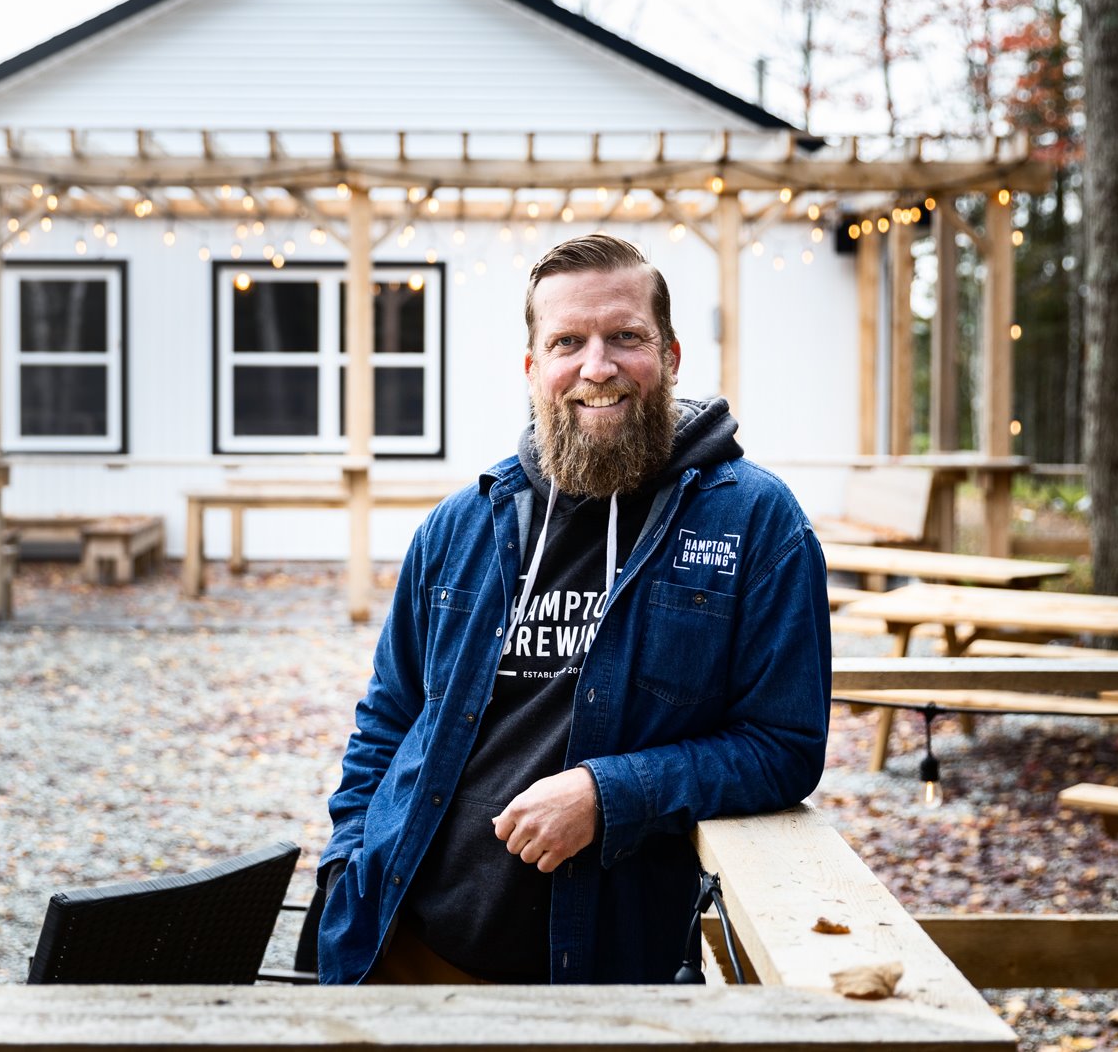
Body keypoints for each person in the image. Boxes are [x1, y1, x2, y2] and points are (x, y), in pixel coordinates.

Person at [316, 234, 831, 985]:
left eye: (626, 337)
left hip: (595, 975)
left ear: (672, 356)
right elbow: (390, 719)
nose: (598, 367)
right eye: (567, 342)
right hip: (401, 943)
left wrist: (608, 792)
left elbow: (783, 746)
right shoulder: (462, 525)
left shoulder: (755, 524)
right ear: (533, 369)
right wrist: (346, 863)